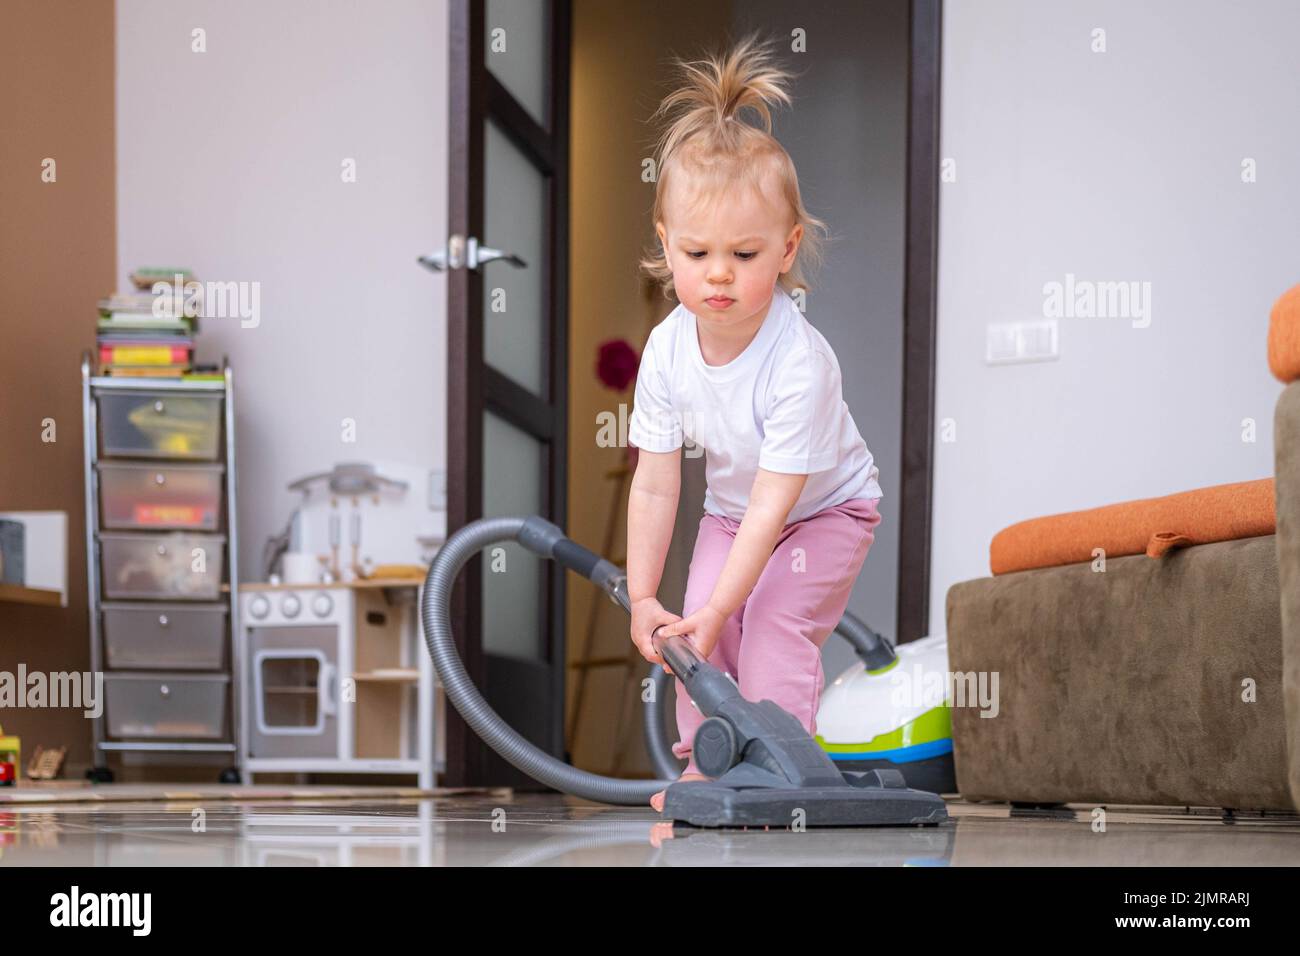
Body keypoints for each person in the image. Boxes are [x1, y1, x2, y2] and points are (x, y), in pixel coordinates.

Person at [625, 32, 884, 813]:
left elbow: (779, 504)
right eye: (698, 251)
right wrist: (647, 599)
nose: (719, 274)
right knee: (695, 641)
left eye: (745, 253)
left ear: (787, 248)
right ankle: (708, 776)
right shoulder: (667, 351)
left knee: (767, 626)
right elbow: (656, 484)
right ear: (667, 246)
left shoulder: (800, 361)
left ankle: (780, 776)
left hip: (826, 513)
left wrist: (722, 603)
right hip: (732, 515)